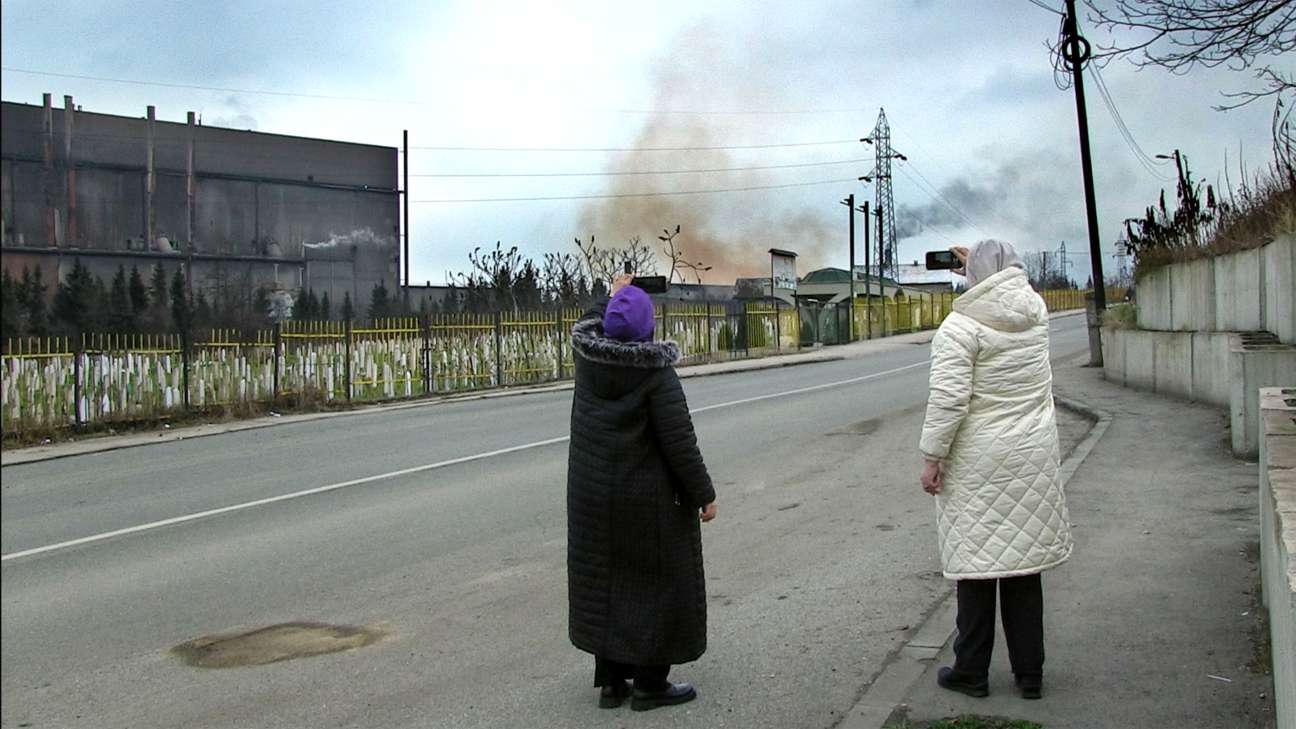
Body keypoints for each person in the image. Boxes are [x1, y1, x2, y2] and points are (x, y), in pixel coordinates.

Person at [918, 240, 1074, 701]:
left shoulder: (959, 328)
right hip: (1032, 456)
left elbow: (949, 401)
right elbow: (1004, 288)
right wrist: (987, 265)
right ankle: (1030, 675)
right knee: (1024, 567)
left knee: (977, 567)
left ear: (973, 275)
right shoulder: (1036, 315)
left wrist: (932, 458)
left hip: (978, 461)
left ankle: (971, 671)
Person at [566, 273, 718, 711]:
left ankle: (612, 683)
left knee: (606, 581)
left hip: (593, 498)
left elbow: (591, 320)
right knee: (659, 585)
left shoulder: (588, 363)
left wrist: (612, 294)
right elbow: (679, 444)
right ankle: (651, 684)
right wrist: (703, 494)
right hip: (646, 502)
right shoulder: (655, 374)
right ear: (649, 328)